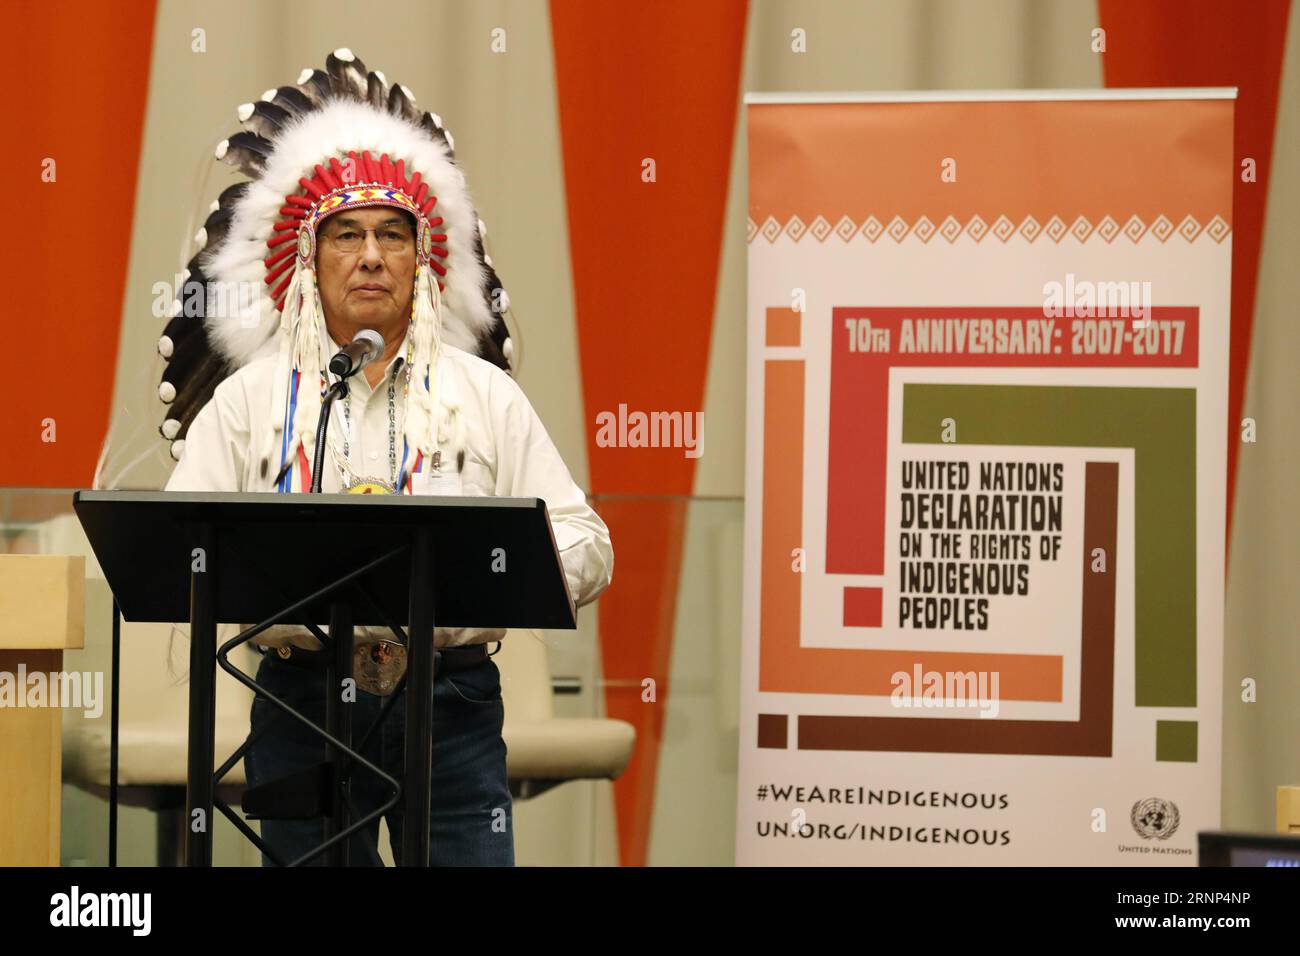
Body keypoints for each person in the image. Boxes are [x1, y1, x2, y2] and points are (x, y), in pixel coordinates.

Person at [159, 49, 613, 865]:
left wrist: (496, 582)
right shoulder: (251, 401)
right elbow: (180, 544)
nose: (370, 255)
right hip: (300, 702)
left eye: (391, 235)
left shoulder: (484, 396)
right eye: (347, 235)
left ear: (420, 262)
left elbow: (586, 539)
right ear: (311, 259)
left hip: (451, 701)